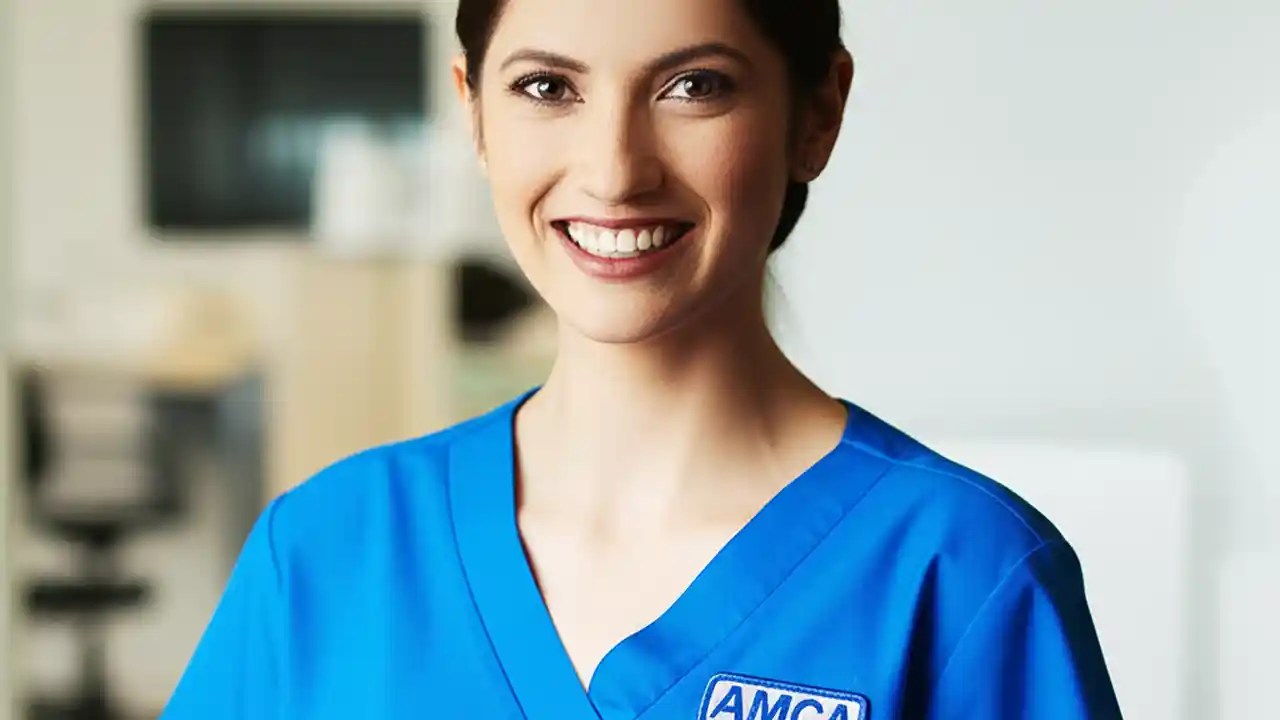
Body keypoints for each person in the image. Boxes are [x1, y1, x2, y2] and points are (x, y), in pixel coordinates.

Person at [161, 0, 1123, 718]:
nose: (615, 169)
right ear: (475, 112)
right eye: (548, 88)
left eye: (693, 86)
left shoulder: (959, 572)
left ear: (818, 112)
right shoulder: (331, 551)